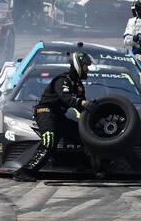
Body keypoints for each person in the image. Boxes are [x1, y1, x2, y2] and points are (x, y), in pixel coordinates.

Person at [15, 50, 90, 182]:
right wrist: (81, 102)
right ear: (78, 65)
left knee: (84, 135)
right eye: (86, 66)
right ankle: (24, 171)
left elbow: (81, 108)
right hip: (45, 112)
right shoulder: (63, 80)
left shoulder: (79, 85)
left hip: (59, 116)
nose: (87, 69)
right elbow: (66, 97)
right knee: (49, 139)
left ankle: (88, 166)